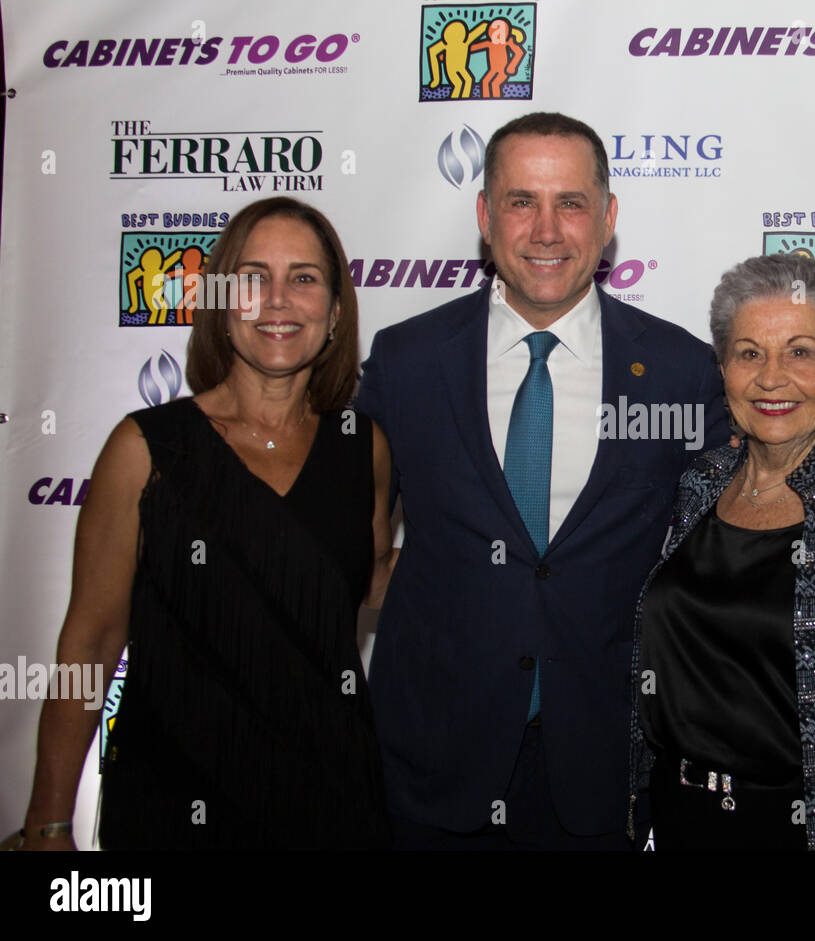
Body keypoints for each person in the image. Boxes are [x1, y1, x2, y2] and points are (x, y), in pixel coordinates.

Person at [356, 112, 727, 850]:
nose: (547, 229)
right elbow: (345, 550)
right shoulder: (406, 362)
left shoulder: (682, 371)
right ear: (485, 216)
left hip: (603, 773)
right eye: (522, 201)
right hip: (433, 764)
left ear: (609, 217)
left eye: (572, 202)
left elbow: (722, 561)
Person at [22, 197, 392, 850]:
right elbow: (90, 642)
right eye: (254, 277)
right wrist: (49, 822)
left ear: (335, 313)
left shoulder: (364, 446)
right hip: (172, 810)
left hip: (333, 806)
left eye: (304, 278)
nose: (278, 300)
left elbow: (367, 582)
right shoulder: (145, 449)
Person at [627, 253, 815, 850]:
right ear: (723, 370)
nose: (772, 378)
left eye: (800, 351)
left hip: (806, 830)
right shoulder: (702, 482)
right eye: (749, 353)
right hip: (675, 813)